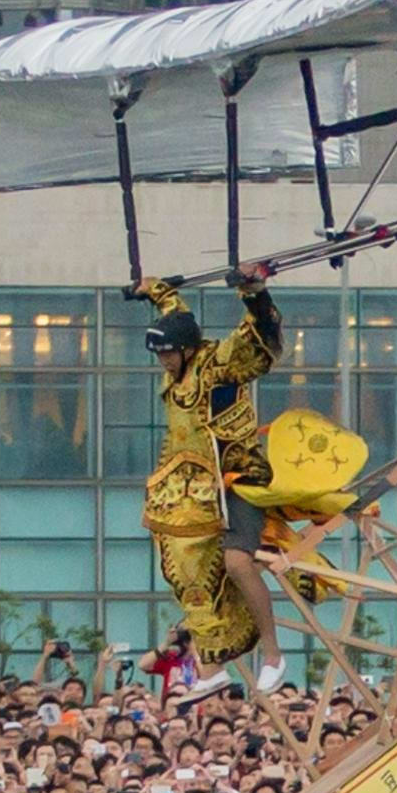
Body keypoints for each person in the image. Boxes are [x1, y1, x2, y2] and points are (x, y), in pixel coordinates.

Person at [129, 273, 286, 674]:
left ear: (185, 349)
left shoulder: (217, 363)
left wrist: (254, 292)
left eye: (169, 352)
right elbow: (175, 313)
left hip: (238, 482)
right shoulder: (176, 368)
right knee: (189, 569)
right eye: (159, 353)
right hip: (195, 490)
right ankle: (210, 670)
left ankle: (272, 654)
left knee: (235, 563)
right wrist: (155, 290)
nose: (163, 360)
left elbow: (259, 339)